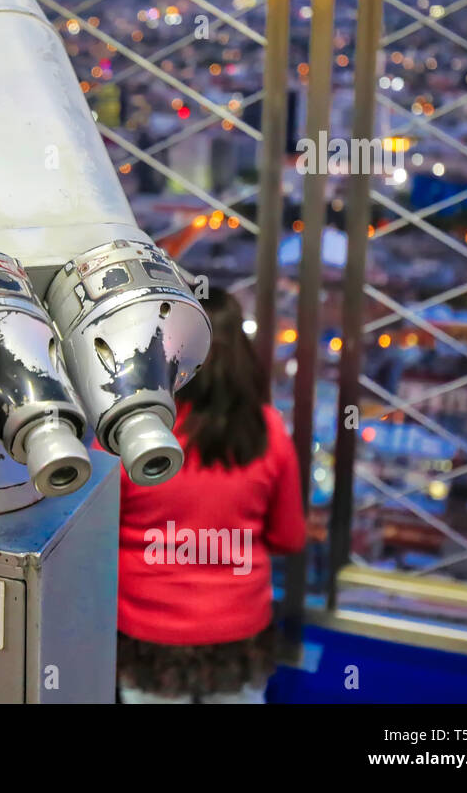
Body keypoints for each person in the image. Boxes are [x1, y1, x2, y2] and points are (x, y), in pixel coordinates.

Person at [116, 287, 306, 704]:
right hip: (237, 634)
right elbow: (289, 537)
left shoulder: (131, 434)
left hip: (148, 634)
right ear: (241, 350)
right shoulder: (269, 430)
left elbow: (93, 533)